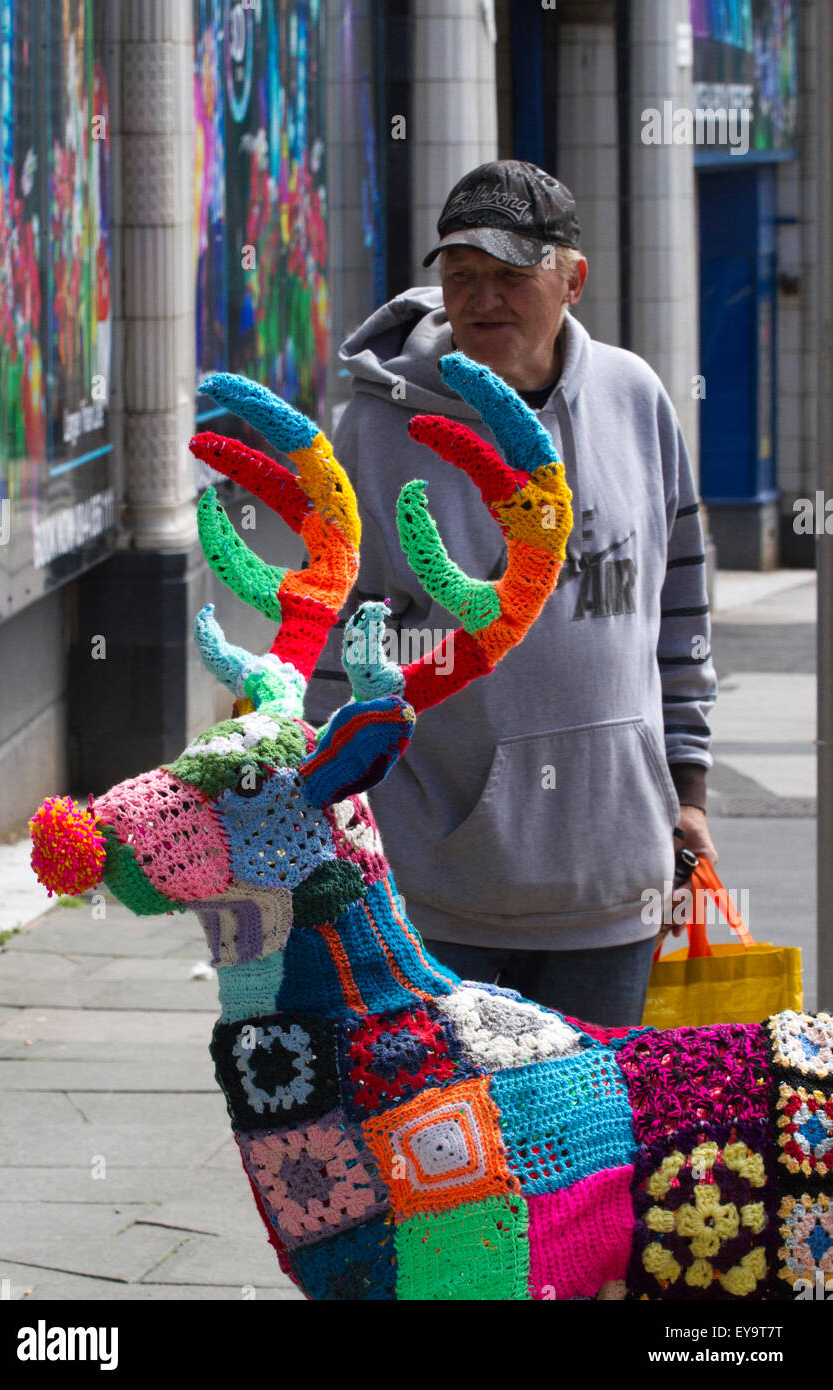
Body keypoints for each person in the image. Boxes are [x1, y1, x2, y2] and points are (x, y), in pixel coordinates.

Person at [305, 160, 717, 1027]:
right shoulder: (378, 428)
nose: (483, 297)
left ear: (573, 278)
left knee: (593, 1156)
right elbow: (342, 631)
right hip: (436, 884)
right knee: (445, 1154)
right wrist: (319, 815)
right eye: (462, 275)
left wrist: (686, 792)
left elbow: (679, 611)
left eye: (510, 274)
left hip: (614, 880)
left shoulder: (636, 398)